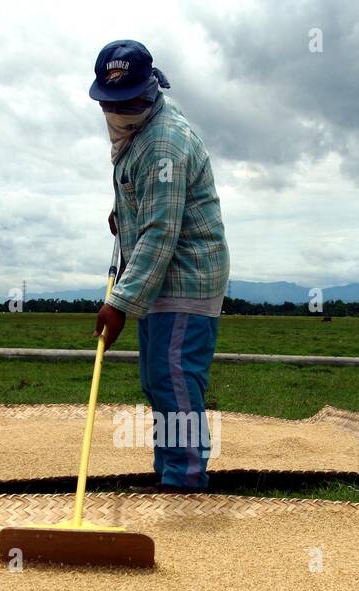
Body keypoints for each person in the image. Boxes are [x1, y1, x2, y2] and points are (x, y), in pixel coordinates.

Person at [89, 39, 230, 492]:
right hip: (161, 279)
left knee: (174, 381)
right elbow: (148, 208)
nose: (119, 108)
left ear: (148, 90)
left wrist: (118, 303)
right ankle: (168, 470)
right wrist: (124, 213)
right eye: (112, 101)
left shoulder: (162, 144)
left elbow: (160, 234)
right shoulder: (139, 133)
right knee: (157, 380)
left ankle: (185, 479)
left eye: (128, 99)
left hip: (185, 277)